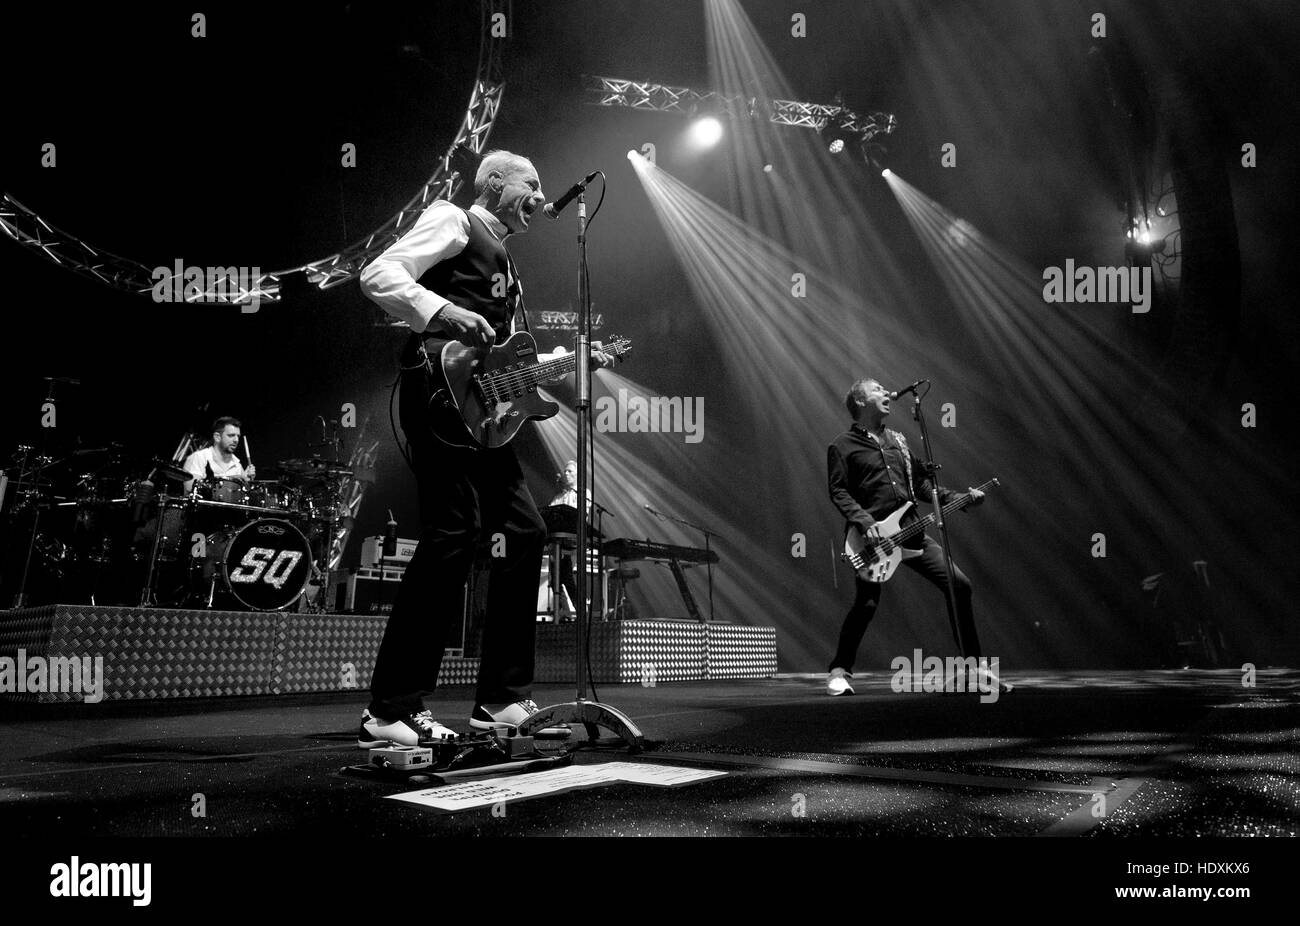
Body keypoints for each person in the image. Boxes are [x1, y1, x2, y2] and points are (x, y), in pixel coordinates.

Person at [358, 149, 606, 746]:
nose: (541, 194)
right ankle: (388, 708)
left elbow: (503, 366)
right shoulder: (454, 221)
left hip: (483, 415)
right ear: (495, 183)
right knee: (455, 532)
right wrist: (441, 308)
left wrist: (566, 364)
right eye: (533, 182)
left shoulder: (509, 265)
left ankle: (499, 700)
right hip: (439, 398)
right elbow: (378, 275)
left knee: (524, 532)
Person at [826, 378, 993, 696]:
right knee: (867, 605)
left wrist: (961, 497)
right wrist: (864, 522)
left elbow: (923, 487)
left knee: (959, 585)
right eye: (876, 389)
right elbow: (838, 490)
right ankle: (838, 670)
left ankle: (974, 668)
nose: (885, 392)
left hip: (913, 532)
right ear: (860, 402)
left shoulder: (899, 441)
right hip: (873, 541)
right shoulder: (842, 446)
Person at [181, 417, 255, 490]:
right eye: (231, 435)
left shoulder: (236, 464)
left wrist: (246, 481)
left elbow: (242, 495)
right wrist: (237, 478)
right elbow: (191, 487)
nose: (236, 440)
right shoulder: (199, 457)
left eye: (238, 436)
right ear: (217, 437)